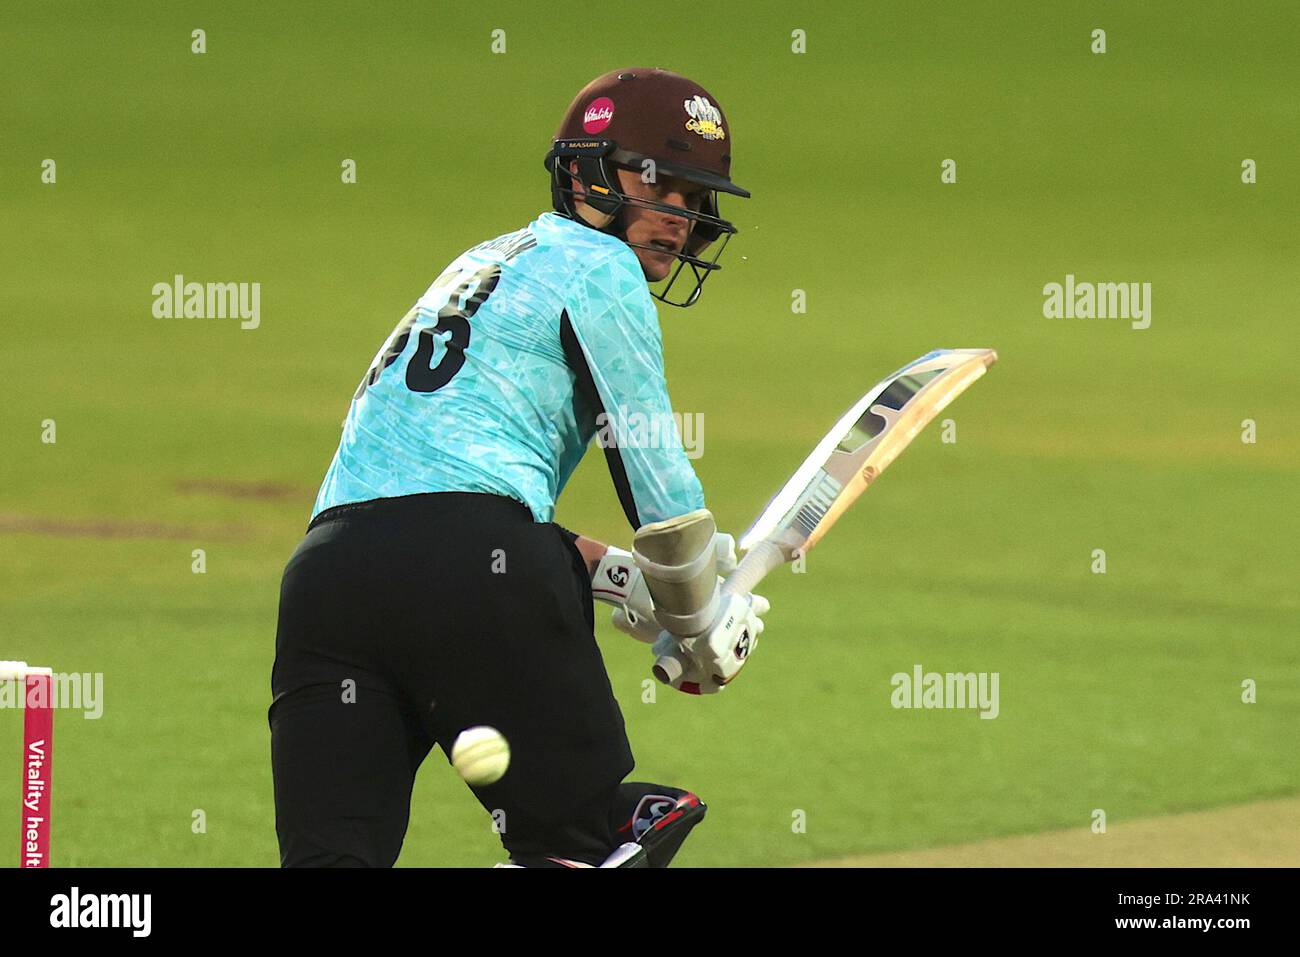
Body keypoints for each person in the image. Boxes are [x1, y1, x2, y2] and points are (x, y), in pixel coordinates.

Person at [269, 67, 770, 868]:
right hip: (476, 574)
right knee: (592, 842)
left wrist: (616, 577)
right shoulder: (601, 271)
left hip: (326, 581)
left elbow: (435, 501)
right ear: (585, 173)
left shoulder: (483, 262)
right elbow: (658, 488)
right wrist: (699, 614)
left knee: (330, 858)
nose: (679, 219)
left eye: (692, 198)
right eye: (658, 183)